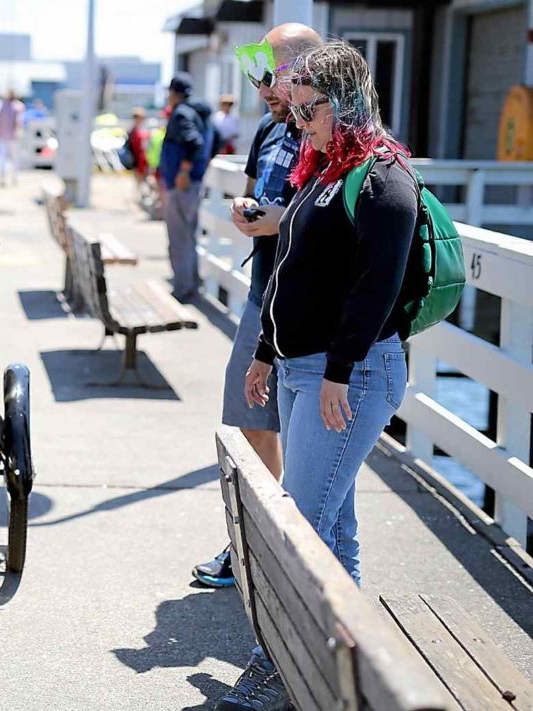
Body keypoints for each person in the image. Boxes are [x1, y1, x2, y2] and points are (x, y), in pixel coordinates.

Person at [221, 41, 419, 711]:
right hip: (307, 370)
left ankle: (277, 666)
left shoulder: (384, 177)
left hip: (353, 375)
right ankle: (342, 677)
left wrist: (335, 372)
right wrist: (269, 352)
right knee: (331, 531)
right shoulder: (323, 167)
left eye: (310, 109)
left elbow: (376, 288)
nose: (299, 121)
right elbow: (295, 269)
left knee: (298, 529)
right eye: (296, 109)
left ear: (348, 101)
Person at [194, 24, 321, 591]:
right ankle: (254, 537)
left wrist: (279, 219)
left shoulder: (323, 130)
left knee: (307, 440)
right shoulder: (270, 129)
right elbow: (252, 190)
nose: (263, 87)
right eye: (257, 74)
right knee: (248, 419)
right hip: (262, 292)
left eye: (271, 75)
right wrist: (249, 210)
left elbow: (328, 215)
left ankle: (282, 550)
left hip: (309, 306)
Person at [160, 73, 213, 303]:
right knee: (188, 236)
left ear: (173, 93)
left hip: (182, 184)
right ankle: (191, 285)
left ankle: (183, 288)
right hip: (192, 183)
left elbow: (194, 143)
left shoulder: (181, 113)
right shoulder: (196, 112)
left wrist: (183, 170)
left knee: (179, 237)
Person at [0, 90, 25, 186]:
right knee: (14, 158)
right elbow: (19, 121)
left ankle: (3, 179)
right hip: (13, 136)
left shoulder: (2, 106)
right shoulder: (19, 106)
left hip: (2, 135)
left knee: (2, 158)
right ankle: (14, 178)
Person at [127, 107, 150, 192]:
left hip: (143, 158)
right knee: (139, 179)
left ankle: (140, 195)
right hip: (136, 159)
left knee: (143, 179)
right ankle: (139, 196)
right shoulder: (133, 131)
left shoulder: (143, 129)